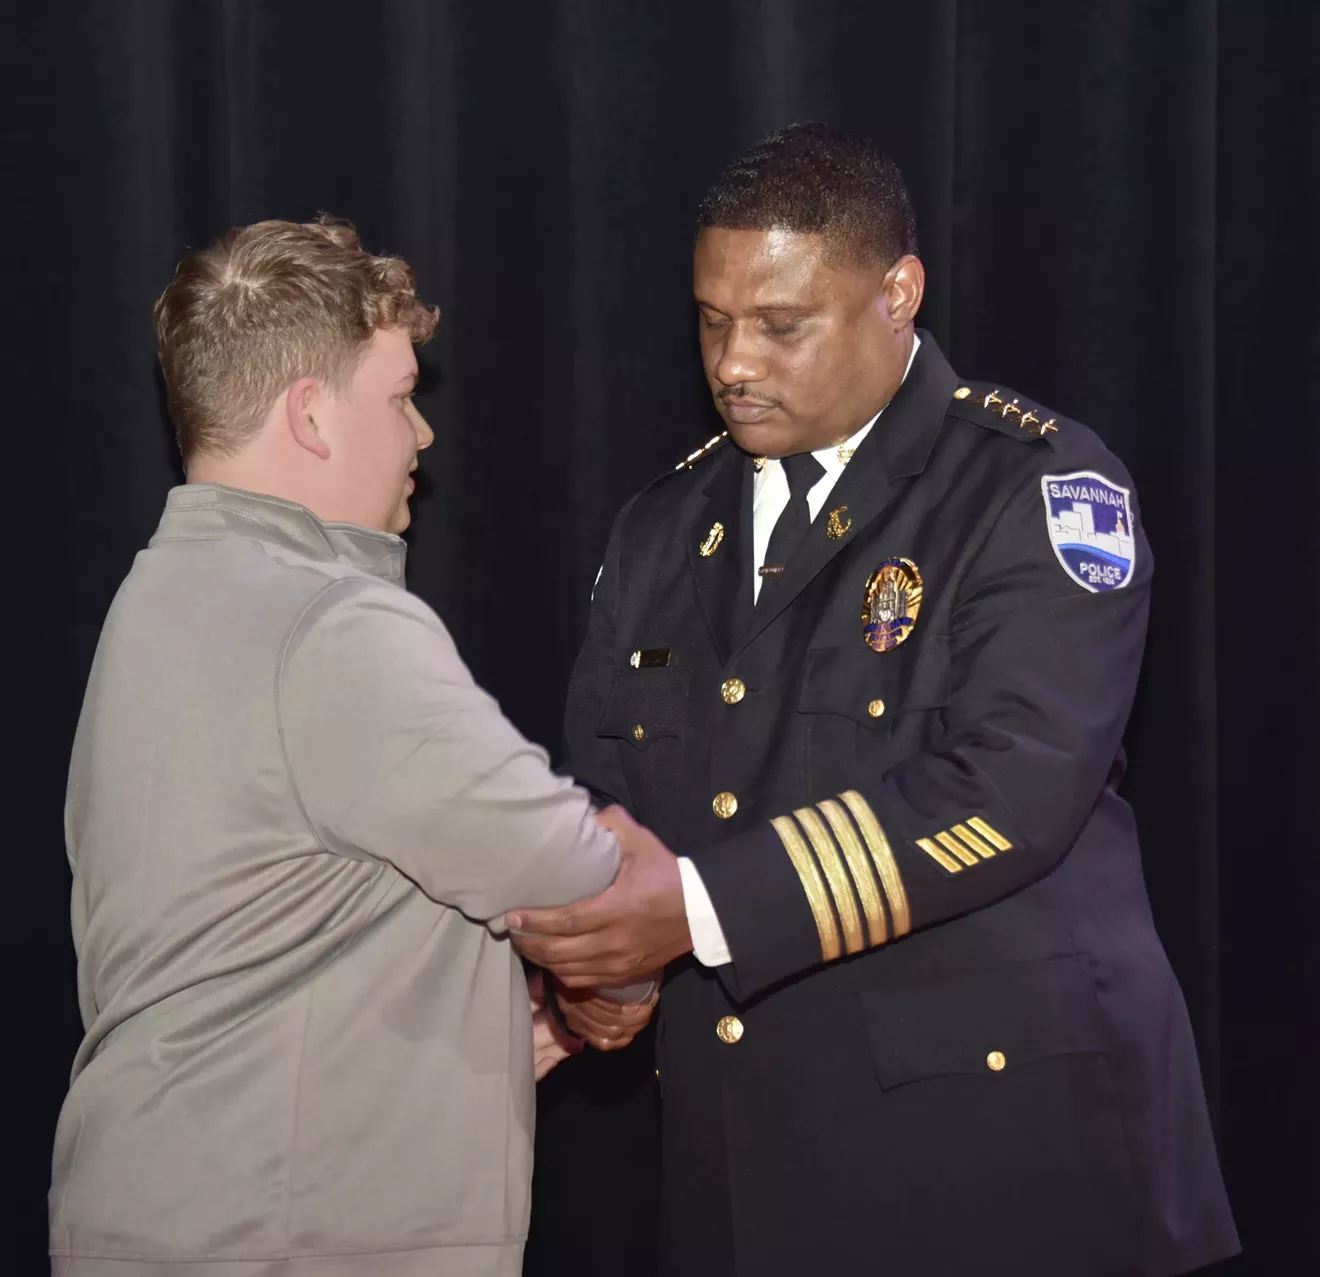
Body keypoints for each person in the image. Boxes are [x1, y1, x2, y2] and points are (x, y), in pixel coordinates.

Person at [510, 124, 1240, 1276]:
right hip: (747, 1163)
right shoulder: (662, 525)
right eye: (712, 320)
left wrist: (691, 911)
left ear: (899, 293)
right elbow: (609, 780)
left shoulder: (1036, 485)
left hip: (996, 1164)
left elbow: (1010, 788)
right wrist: (608, 957)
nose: (733, 362)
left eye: (780, 325)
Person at [50, 216, 627, 1277]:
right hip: (289, 1237)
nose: (422, 434)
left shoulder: (157, 597)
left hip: (178, 1210)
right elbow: (576, 872)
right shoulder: (329, 624)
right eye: (400, 394)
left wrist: (504, 1020)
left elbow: (276, 926)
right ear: (311, 415)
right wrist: (621, 928)